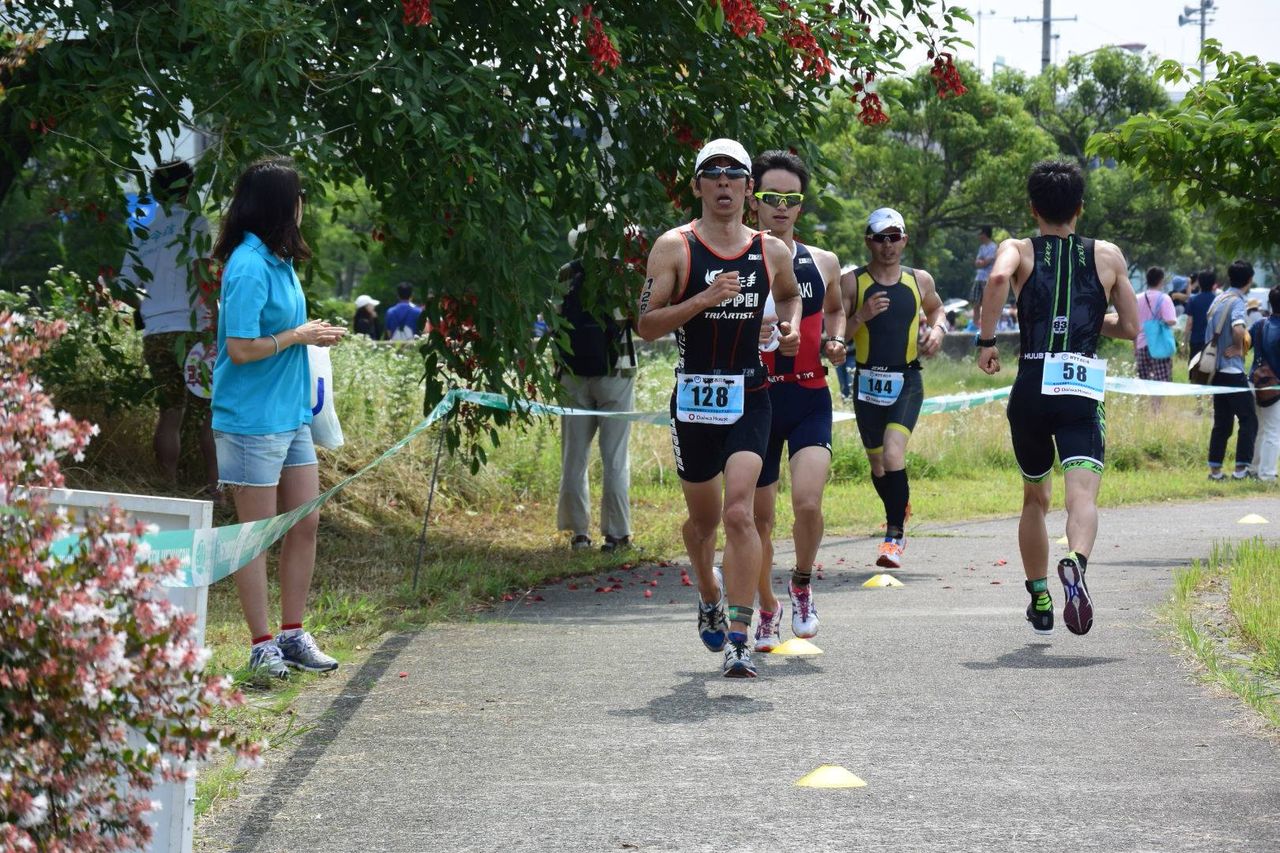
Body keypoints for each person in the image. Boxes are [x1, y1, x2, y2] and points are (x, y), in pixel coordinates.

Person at [637, 137, 802, 678]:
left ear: (749, 188)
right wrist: (705, 298)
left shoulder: (771, 250)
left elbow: (790, 294)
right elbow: (646, 324)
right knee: (703, 524)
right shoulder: (675, 247)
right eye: (713, 173)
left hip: (751, 396)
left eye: (734, 174)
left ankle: (739, 636)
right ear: (698, 186)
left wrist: (790, 329)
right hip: (693, 401)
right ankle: (708, 591)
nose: (724, 181)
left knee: (739, 514)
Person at [977, 159, 1139, 638]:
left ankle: (1040, 598)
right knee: (1081, 495)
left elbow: (997, 280)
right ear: (1080, 208)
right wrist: (1090, 322)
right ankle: (1077, 561)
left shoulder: (1017, 248)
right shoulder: (1108, 255)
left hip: (1032, 380)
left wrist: (987, 341)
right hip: (1080, 385)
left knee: (1035, 497)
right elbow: (1132, 327)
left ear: (1033, 208)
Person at [211, 157, 347, 678]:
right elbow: (241, 348)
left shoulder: (279, 259)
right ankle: (261, 644)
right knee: (256, 535)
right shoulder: (247, 265)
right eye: (299, 196)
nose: (303, 205)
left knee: (305, 522)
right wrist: (298, 335)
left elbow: (283, 334)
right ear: (282, 204)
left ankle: (293, 635)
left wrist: (311, 334)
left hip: (291, 415)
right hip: (251, 420)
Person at [746, 150, 846, 651]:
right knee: (758, 521)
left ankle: (802, 583)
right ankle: (767, 608)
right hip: (757, 399)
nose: (781, 207)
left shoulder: (823, 261)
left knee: (807, 503)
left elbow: (836, 308)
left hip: (809, 394)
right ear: (754, 201)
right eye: (771, 197)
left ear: (801, 205)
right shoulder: (738, 259)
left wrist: (836, 339)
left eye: (791, 198)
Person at [838, 207, 946, 570]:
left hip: (907, 381)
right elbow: (837, 337)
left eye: (894, 237)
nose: (888, 245)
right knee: (878, 463)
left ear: (905, 240)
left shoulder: (919, 280)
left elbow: (938, 310)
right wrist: (861, 316)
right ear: (868, 241)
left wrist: (937, 331)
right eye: (881, 238)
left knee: (893, 454)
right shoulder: (852, 282)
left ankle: (894, 534)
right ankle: (898, 508)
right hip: (866, 382)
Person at [116, 160, 219, 495]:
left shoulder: (142, 229)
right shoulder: (195, 222)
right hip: (194, 329)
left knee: (170, 411)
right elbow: (202, 275)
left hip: (156, 333)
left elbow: (122, 287)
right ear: (188, 187)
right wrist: (216, 324)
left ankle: (168, 486)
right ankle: (216, 489)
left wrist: (147, 308)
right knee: (209, 412)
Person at [555, 222, 639, 554]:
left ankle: (578, 533)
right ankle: (616, 535)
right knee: (615, 456)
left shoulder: (566, 273)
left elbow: (556, 321)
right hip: (617, 372)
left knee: (574, 455)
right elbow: (640, 322)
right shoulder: (625, 274)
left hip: (572, 374)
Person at [1205, 260, 1258, 481]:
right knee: (1249, 420)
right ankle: (1241, 469)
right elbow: (1238, 328)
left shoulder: (1219, 299)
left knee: (1222, 423)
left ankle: (1215, 471)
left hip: (1214, 370)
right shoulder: (1237, 302)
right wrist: (1238, 347)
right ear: (1249, 280)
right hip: (1232, 371)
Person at [1134, 266, 1177, 410]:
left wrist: (1134, 346)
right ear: (1161, 280)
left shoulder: (1137, 298)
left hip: (1141, 343)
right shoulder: (1164, 298)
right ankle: (1155, 410)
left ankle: (1142, 409)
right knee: (1160, 380)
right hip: (1159, 346)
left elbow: (1134, 323)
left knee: (1143, 379)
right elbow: (1171, 320)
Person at [1249, 285, 1280, 482]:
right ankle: (1267, 475)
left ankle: (1254, 469)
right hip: (1274, 387)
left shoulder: (1259, 324)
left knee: (1260, 429)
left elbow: (1244, 345)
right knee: (1273, 431)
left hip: (1254, 381)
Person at [1183, 269, 1218, 363]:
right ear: (1213, 284)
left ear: (1199, 283)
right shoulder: (1218, 300)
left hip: (1196, 340)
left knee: (1195, 368)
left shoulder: (1193, 300)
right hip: (1213, 342)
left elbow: (1189, 323)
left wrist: (1184, 342)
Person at [969, 225, 997, 331]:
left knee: (987, 303)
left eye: (980, 233)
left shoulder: (993, 247)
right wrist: (982, 262)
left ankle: (986, 327)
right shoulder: (982, 247)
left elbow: (987, 262)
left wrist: (982, 262)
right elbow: (978, 263)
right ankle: (975, 326)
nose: (979, 236)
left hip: (987, 279)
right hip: (979, 278)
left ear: (984, 234)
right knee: (976, 303)